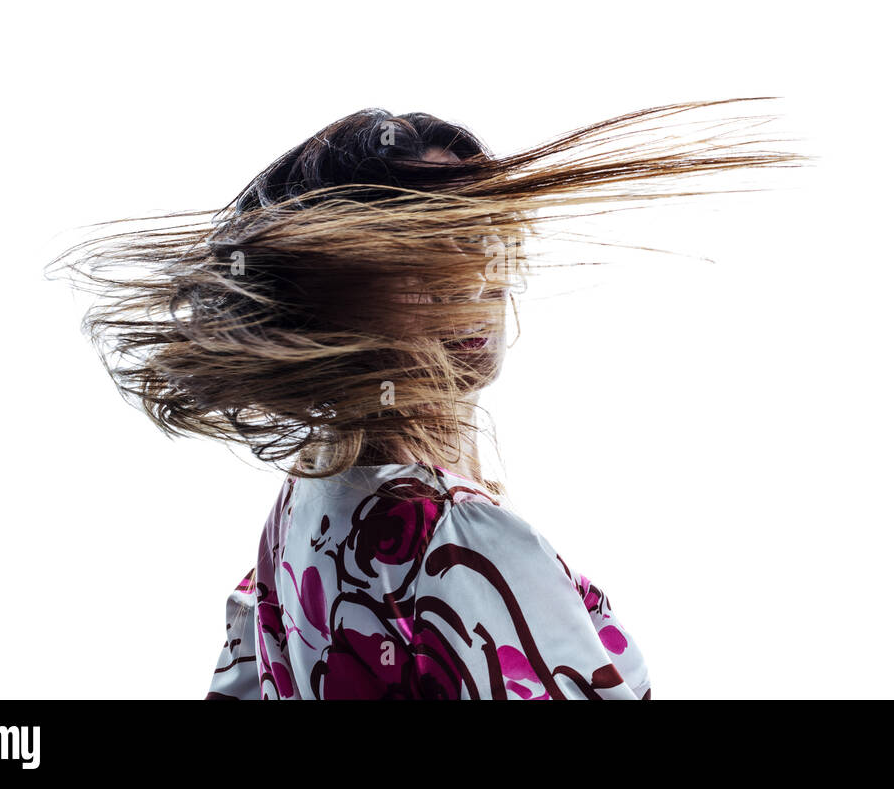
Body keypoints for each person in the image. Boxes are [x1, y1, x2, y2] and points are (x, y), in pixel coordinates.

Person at [48, 100, 802, 699]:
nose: (472, 281)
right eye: (425, 250)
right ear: (336, 288)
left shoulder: (297, 523)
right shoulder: (455, 538)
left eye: (485, 237)